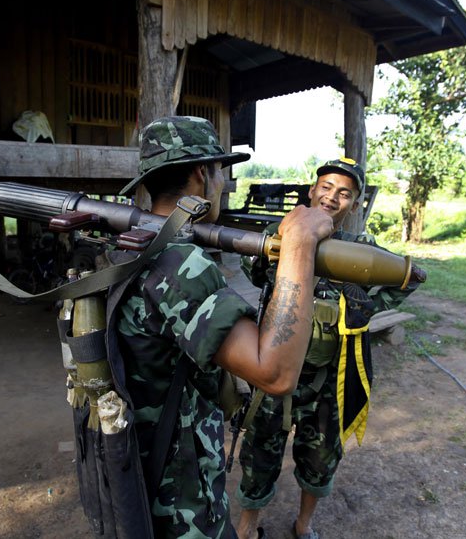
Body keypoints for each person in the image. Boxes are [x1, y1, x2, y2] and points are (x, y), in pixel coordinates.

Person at [115, 116, 335, 538]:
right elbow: (274, 372)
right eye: (219, 173)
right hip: (178, 499)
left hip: (138, 465)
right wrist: (300, 246)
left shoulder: (130, 242)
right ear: (203, 174)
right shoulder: (180, 264)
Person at [235, 158, 424, 539]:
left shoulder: (361, 251)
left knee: (320, 458)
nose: (332, 197)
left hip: (326, 380)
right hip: (274, 374)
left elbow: (410, 278)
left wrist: (364, 307)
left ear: (354, 205)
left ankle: (304, 525)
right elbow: (253, 268)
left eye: (344, 194)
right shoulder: (280, 233)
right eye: (326, 187)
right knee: (258, 453)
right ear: (312, 191)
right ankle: (247, 525)